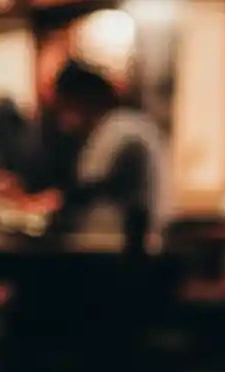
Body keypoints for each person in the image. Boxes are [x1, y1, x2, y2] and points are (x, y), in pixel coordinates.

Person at [49, 61, 174, 257]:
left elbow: (89, 189)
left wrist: (50, 202)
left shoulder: (118, 129)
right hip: (130, 248)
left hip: (122, 254)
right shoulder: (130, 124)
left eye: (65, 106)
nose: (64, 119)